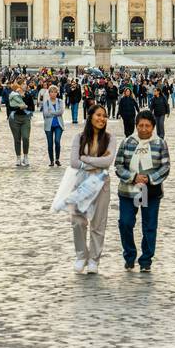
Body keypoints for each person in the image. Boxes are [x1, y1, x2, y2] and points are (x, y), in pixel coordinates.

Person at [115, 110, 171, 271]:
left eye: (147, 126)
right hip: (129, 190)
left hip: (149, 191)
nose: (144, 129)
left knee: (149, 225)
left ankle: (146, 259)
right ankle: (129, 255)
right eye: (141, 125)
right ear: (136, 126)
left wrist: (149, 178)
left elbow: (165, 166)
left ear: (153, 126)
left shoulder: (160, 143)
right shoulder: (127, 142)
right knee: (125, 223)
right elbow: (118, 165)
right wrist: (133, 177)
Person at [69, 104, 116, 274]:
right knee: (78, 220)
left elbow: (107, 162)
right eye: (98, 115)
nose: (102, 119)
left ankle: (94, 259)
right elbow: (74, 162)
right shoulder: (79, 138)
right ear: (90, 117)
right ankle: (81, 256)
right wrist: (95, 162)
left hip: (102, 184)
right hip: (81, 184)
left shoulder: (110, 138)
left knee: (98, 222)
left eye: (105, 116)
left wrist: (86, 160)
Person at [6, 79, 33, 167]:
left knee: (25, 137)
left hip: (25, 118)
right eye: (23, 84)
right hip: (14, 119)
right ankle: (18, 157)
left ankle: (26, 156)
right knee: (17, 139)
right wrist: (19, 108)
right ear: (19, 85)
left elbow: (32, 107)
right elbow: (9, 107)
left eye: (25, 84)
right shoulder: (12, 95)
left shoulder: (28, 95)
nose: (25, 85)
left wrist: (24, 97)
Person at [41, 84, 65, 167]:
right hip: (48, 125)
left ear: (57, 93)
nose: (53, 94)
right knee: (50, 143)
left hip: (58, 124)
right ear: (49, 93)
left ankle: (57, 159)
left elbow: (61, 112)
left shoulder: (60, 101)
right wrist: (55, 113)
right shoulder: (46, 103)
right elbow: (45, 114)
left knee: (57, 141)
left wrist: (52, 112)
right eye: (51, 92)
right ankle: (51, 160)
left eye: (55, 92)